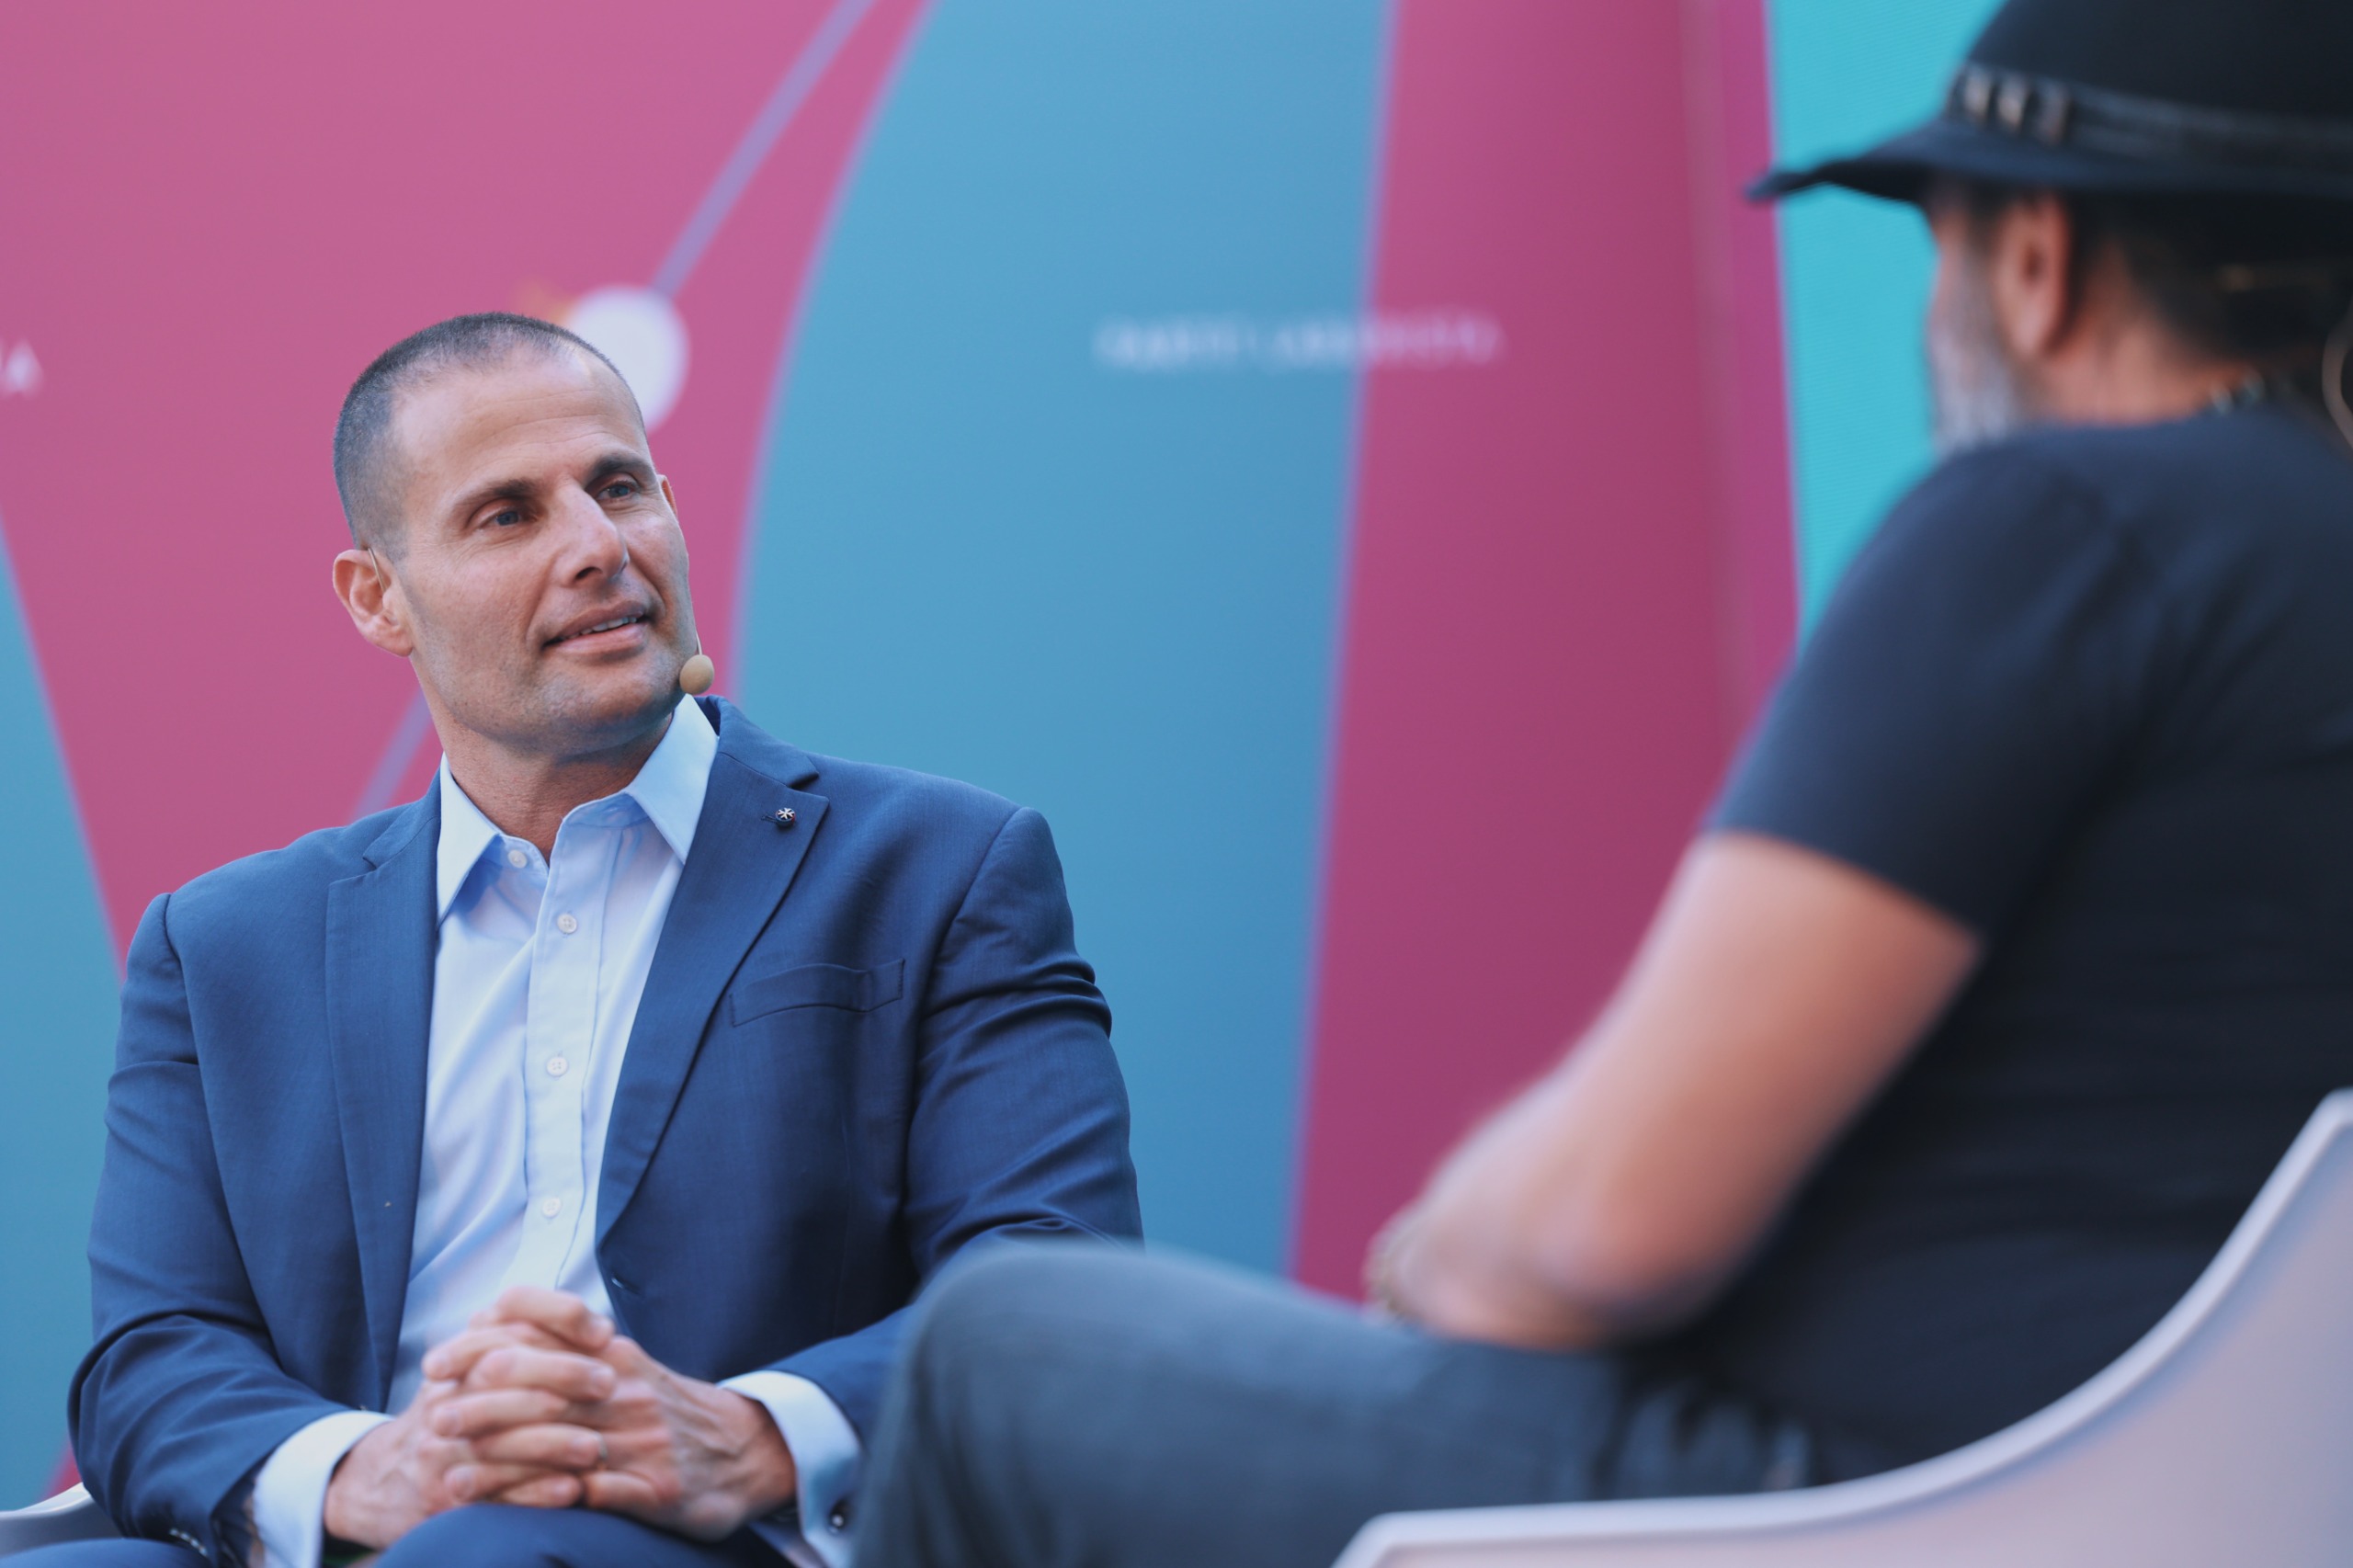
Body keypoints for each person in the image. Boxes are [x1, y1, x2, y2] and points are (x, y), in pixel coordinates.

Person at [848, 2, 2353, 1564]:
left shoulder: (2053, 526)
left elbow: (1598, 1235)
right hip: (2249, 1506)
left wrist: (1440, 1250)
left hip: (1866, 1497)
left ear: (2038, 261)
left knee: (997, 1347)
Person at [31, 312, 1140, 1568]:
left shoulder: (935, 868)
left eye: (618, 488)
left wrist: (748, 1432)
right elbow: (154, 1354)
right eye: (507, 514)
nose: (599, 546)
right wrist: (366, 1470)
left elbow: (1057, 1282)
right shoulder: (225, 946)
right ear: (377, 597)